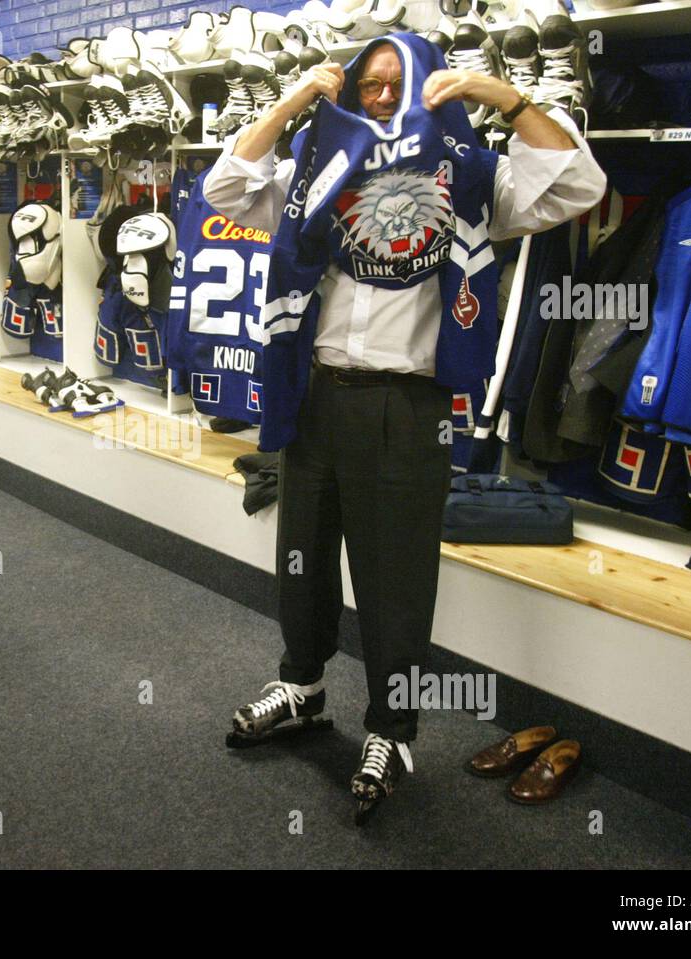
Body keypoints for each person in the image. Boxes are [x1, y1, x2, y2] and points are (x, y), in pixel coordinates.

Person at [207, 33, 606, 819]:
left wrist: (502, 98)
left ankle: (392, 727)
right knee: (303, 554)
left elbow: (578, 182)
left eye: (398, 83)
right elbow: (227, 186)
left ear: (426, 85)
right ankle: (302, 685)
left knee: (395, 581)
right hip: (317, 395)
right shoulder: (316, 173)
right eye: (370, 85)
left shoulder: (469, 180)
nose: (381, 96)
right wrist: (293, 102)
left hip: (407, 405)